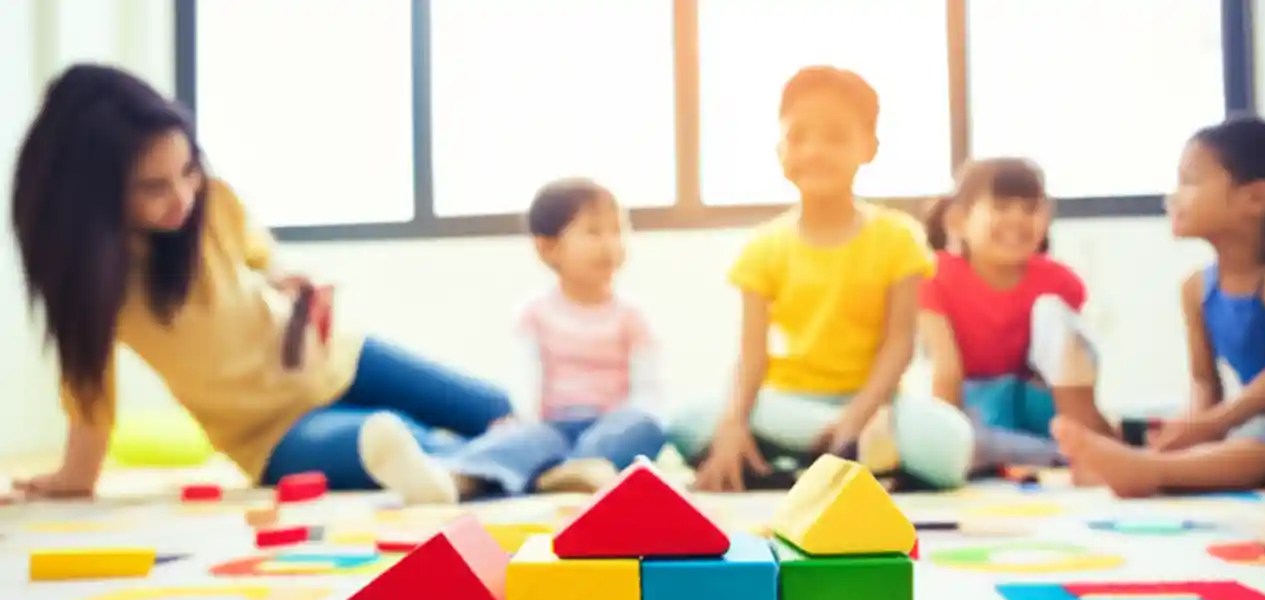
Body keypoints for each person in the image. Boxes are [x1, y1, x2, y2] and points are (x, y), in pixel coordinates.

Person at [10, 64, 512, 504]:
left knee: (494, 408)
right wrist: (75, 477)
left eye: (188, 172)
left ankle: (512, 464)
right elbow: (90, 392)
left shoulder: (212, 200)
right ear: (92, 194)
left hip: (335, 356)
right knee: (401, 443)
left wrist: (283, 277)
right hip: (273, 435)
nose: (183, 196)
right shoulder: (97, 282)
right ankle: (498, 469)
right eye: (154, 188)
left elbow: (258, 252)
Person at [668, 65, 972, 491]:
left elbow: (899, 344)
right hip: (786, 404)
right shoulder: (764, 247)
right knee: (687, 423)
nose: (814, 150)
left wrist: (855, 419)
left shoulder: (898, 236)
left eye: (835, 137)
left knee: (950, 444)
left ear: (869, 147)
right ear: (779, 151)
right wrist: (733, 423)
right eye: (798, 136)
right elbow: (750, 358)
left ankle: (814, 456)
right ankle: (846, 459)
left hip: (875, 404)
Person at [1054, 116, 1265, 496]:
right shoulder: (1196, 289)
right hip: (1254, 422)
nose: (1173, 196)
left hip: (1264, 422)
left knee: (1263, 436)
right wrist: (1191, 430)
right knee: (1245, 438)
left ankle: (1154, 470)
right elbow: (1204, 380)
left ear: (1255, 198)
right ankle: (1164, 466)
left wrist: (1213, 423)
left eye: (1189, 181)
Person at [421, 179, 666, 495]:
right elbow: (528, 380)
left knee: (645, 426)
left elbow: (648, 391)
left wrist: (635, 417)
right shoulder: (535, 313)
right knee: (520, 438)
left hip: (611, 425)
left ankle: (575, 471)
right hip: (554, 425)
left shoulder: (632, 317)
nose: (609, 243)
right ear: (547, 248)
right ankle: (455, 479)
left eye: (617, 230)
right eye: (593, 232)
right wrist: (525, 422)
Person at [918, 158, 1114, 473]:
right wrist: (943, 442)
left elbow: (1069, 371)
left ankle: (1083, 446)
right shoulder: (935, 275)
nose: (1017, 219)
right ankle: (1062, 454)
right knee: (954, 438)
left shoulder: (1059, 282)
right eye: (1001, 206)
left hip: (1041, 405)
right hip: (980, 408)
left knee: (1052, 312)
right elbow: (947, 373)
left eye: (1030, 208)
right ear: (958, 221)